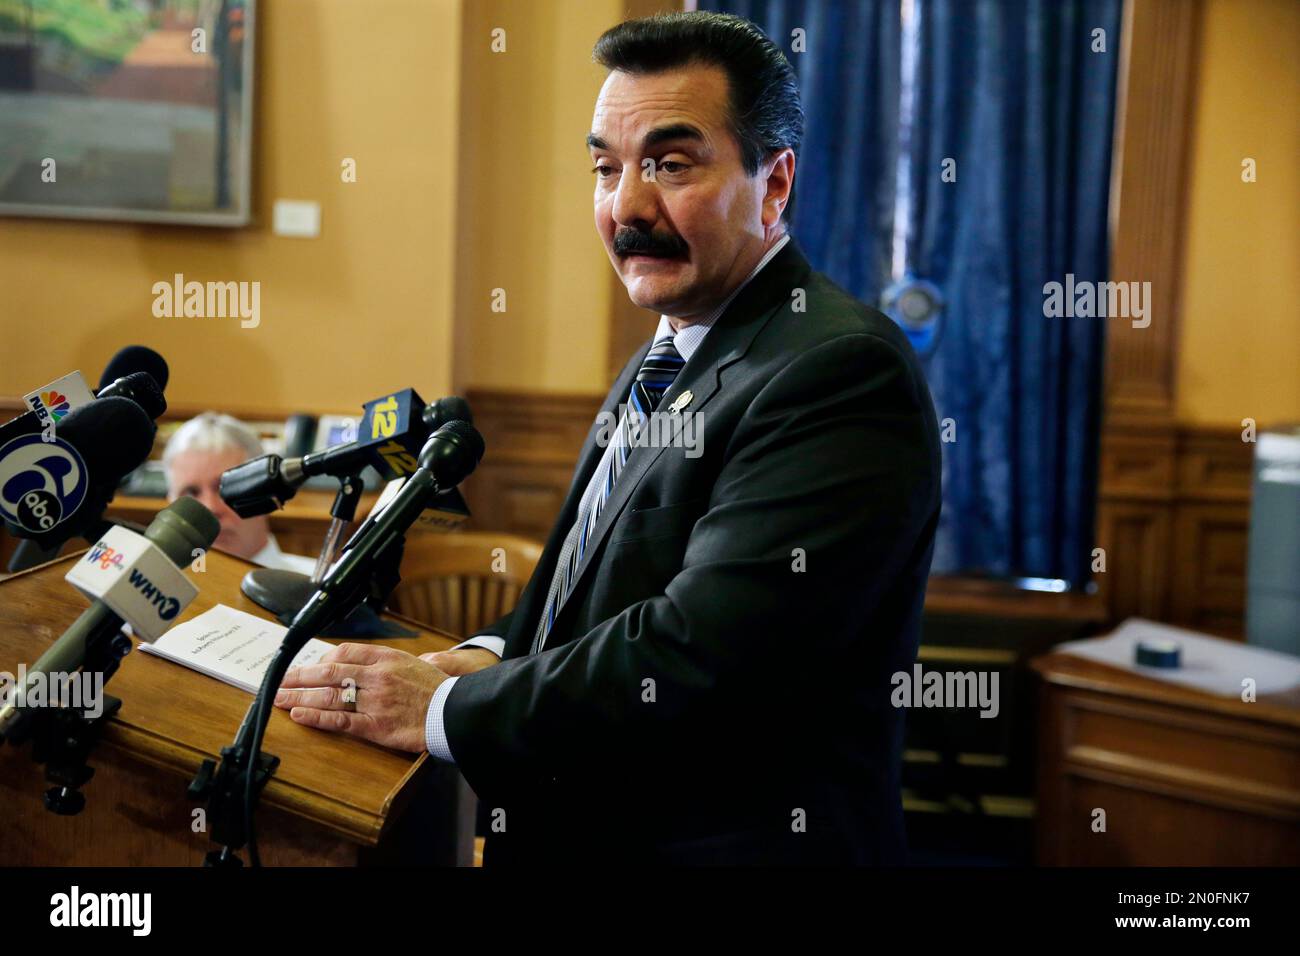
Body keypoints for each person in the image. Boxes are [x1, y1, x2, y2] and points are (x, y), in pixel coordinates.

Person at [274, 11, 941, 865]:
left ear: (775, 184)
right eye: (604, 168)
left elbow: (703, 656)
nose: (626, 205)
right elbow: (586, 596)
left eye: (669, 164)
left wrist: (434, 711)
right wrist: (468, 661)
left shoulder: (839, 368)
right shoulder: (667, 351)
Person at [162, 412, 316, 575]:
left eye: (224, 488)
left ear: (266, 494)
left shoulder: (321, 589)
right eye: (191, 494)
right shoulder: (151, 593)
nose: (210, 508)